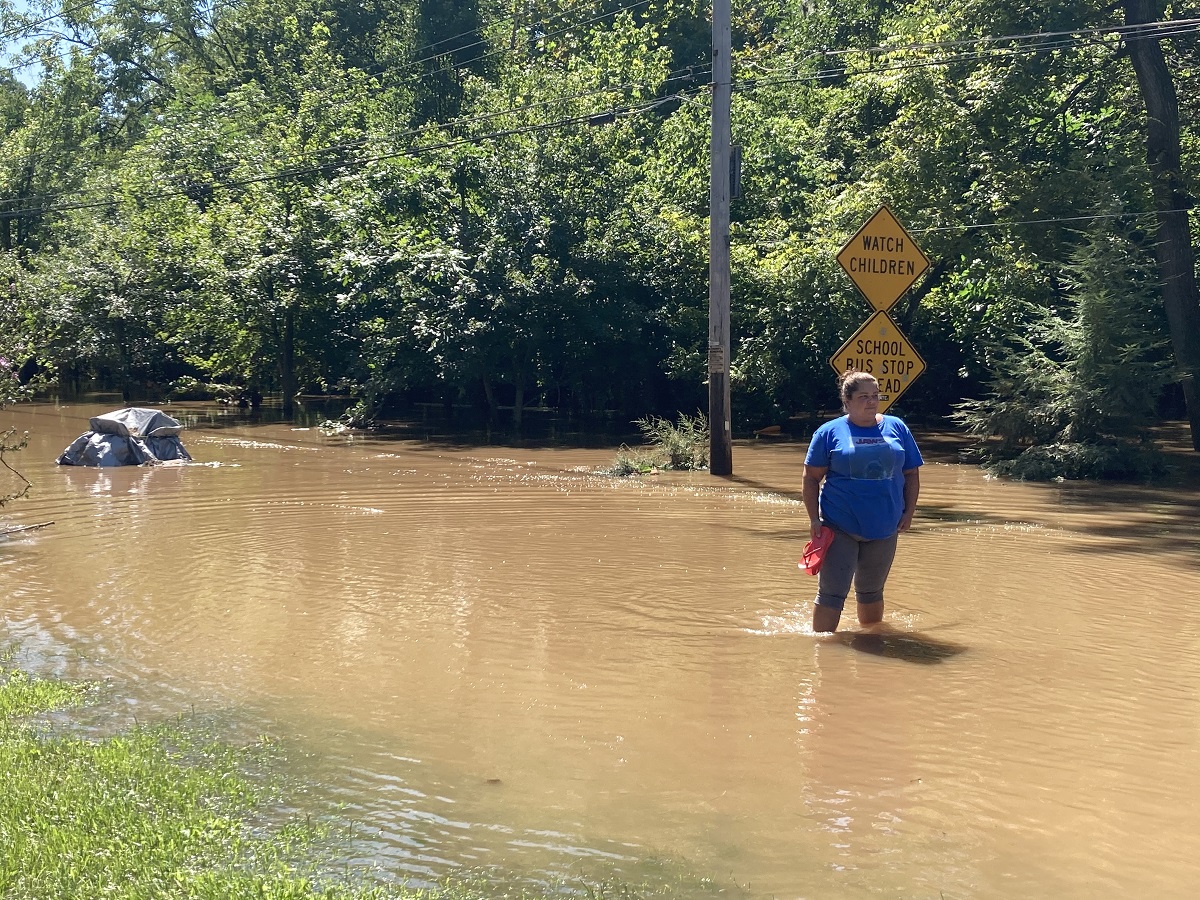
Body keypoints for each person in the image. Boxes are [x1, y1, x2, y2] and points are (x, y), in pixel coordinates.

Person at [802, 370, 923, 633]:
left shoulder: (897, 427)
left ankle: (871, 643)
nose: (871, 401)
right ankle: (822, 648)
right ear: (847, 401)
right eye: (863, 396)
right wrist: (814, 519)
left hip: (886, 525)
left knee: (871, 592)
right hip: (840, 526)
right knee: (832, 594)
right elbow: (811, 478)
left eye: (875, 395)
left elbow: (911, 474)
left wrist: (909, 513)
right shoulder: (828, 432)